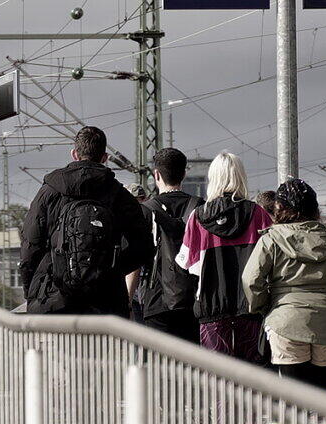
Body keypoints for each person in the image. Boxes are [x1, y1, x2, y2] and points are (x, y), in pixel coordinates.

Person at [244, 179, 326, 393]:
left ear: (280, 207)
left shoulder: (272, 239)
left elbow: (251, 279)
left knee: (293, 392)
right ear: (315, 208)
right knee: (321, 386)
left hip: (285, 320)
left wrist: (265, 307)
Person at [19, 125, 151, 317]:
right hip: (106, 300)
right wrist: (111, 267)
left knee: (59, 347)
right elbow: (143, 247)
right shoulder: (119, 194)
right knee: (102, 347)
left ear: (74, 154)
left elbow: (30, 245)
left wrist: (32, 290)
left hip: (55, 296)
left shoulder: (50, 191)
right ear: (104, 158)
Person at [177, 152, 271, 359]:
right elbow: (270, 261)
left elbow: (188, 263)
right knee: (252, 375)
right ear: (241, 176)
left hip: (211, 305)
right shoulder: (259, 214)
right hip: (250, 305)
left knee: (217, 376)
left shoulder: (198, 217)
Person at [130, 147, 199, 342]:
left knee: (158, 365)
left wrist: (128, 299)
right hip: (193, 300)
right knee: (193, 365)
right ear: (184, 174)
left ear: (156, 174)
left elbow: (135, 261)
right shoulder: (201, 208)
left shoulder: (145, 211)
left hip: (156, 300)